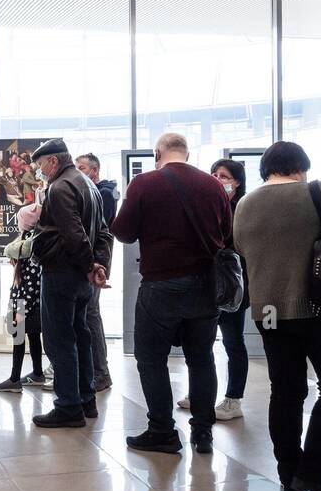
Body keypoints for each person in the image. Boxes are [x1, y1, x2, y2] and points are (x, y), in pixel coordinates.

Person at [232, 141, 321, 491]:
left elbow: (241, 247)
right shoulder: (315, 191)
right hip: (318, 309)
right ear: (300, 166)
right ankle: (312, 471)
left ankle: (288, 473)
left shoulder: (246, 204)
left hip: (270, 313)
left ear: (266, 169)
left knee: (286, 392)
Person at [111, 132, 231, 455]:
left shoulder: (144, 184)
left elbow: (122, 232)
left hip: (160, 285)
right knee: (202, 358)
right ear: (187, 154)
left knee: (151, 359)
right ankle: (203, 433)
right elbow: (226, 233)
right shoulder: (214, 185)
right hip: (206, 287)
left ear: (157, 153)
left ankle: (162, 430)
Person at [29, 138, 113, 428]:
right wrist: (97, 265)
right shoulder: (87, 184)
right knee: (81, 335)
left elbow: (73, 233)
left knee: (59, 340)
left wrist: (91, 265)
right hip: (80, 275)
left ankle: (68, 406)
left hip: (62, 272)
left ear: (53, 161)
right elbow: (103, 232)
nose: (41, 172)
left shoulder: (61, 186)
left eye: (41, 166)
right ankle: (85, 400)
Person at [178, 158, 249, 421]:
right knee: (200, 343)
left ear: (237, 182)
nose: (218, 179)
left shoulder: (243, 206)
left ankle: (233, 398)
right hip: (205, 282)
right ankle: (200, 393)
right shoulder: (207, 201)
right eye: (214, 174)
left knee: (232, 341)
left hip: (230, 283)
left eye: (224, 176)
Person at [0, 201, 46, 392]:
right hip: (29, 299)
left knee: (18, 338)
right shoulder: (33, 240)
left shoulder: (29, 245)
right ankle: (38, 373)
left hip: (25, 301)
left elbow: (32, 280)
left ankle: (14, 379)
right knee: (33, 337)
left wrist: (23, 308)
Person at [76, 153, 117, 392]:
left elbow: (99, 230)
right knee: (88, 313)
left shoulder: (104, 194)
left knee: (91, 313)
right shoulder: (95, 192)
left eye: (82, 168)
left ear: (95, 169)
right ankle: (94, 370)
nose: (79, 172)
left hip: (94, 264)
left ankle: (101, 372)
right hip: (90, 262)